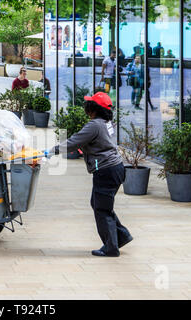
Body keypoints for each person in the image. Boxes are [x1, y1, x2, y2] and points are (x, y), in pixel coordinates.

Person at [50, 92, 133, 257]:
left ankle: (111, 247)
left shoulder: (95, 125)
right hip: (115, 168)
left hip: (106, 171)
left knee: (102, 208)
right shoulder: (107, 123)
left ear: (94, 109)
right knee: (99, 204)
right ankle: (121, 236)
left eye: (89, 105)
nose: (86, 107)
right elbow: (97, 142)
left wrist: (53, 150)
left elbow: (74, 141)